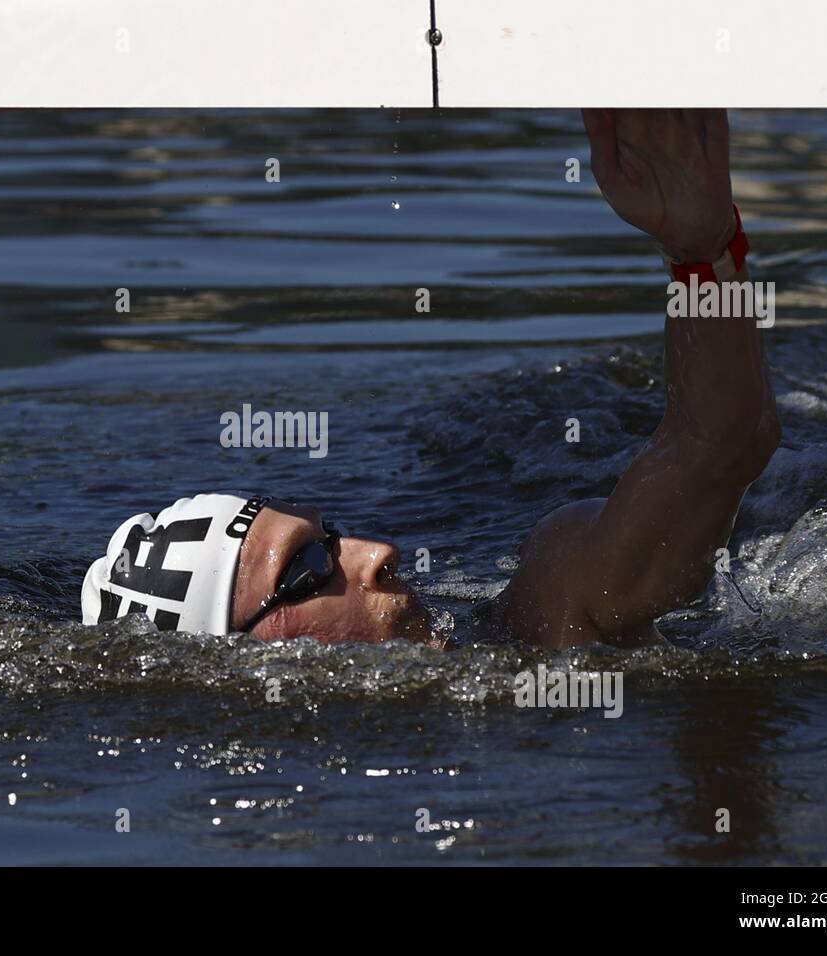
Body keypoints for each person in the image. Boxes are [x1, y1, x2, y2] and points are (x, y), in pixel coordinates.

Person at [82, 108, 780, 650]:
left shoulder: (545, 615)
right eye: (305, 572)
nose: (376, 552)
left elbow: (721, 446)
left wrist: (702, 253)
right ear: (246, 654)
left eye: (330, 539)